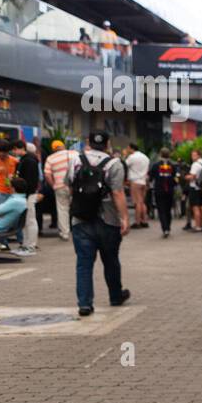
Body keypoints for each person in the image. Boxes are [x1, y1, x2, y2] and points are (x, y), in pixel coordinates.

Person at [66, 131, 130, 316]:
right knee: (111, 260)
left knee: (84, 264)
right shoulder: (114, 164)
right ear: (108, 143)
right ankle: (115, 296)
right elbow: (118, 193)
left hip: (80, 220)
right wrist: (125, 218)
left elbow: (69, 187)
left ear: (88, 142)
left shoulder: (75, 161)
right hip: (108, 220)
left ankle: (85, 304)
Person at [43, 139, 75, 240]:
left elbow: (47, 175)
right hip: (75, 187)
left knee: (62, 209)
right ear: (63, 146)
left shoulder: (50, 158)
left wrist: (53, 185)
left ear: (53, 149)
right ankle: (79, 229)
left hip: (60, 187)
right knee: (77, 208)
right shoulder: (74, 154)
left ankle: (65, 233)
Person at [15, 142, 43, 257]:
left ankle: (30, 245)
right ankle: (26, 245)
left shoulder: (29, 161)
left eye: (15, 149)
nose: (14, 152)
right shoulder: (26, 160)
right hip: (26, 194)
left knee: (30, 220)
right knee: (26, 221)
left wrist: (26, 194)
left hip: (28, 194)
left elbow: (31, 181)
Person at [148, 148, 179, 238]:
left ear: (160, 154)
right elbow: (176, 178)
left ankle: (165, 228)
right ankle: (168, 227)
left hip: (159, 190)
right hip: (169, 190)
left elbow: (150, 177)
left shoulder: (156, 165)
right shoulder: (173, 165)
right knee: (168, 210)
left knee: (161, 210)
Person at [124, 142, 150, 228]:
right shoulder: (145, 157)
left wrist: (125, 155)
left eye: (128, 148)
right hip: (143, 181)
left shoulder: (132, 157)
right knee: (142, 202)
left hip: (135, 181)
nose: (127, 150)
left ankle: (137, 221)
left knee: (137, 202)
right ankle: (145, 220)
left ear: (131, 148)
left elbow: (124, 165)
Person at [187, 149, 202, 232]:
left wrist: (185, 177)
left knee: (195, 207)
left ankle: (197, 226)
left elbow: (192, 176)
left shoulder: (195, 164)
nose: (192, 157)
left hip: (194, 187)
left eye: (194, 155)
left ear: (198, 155)